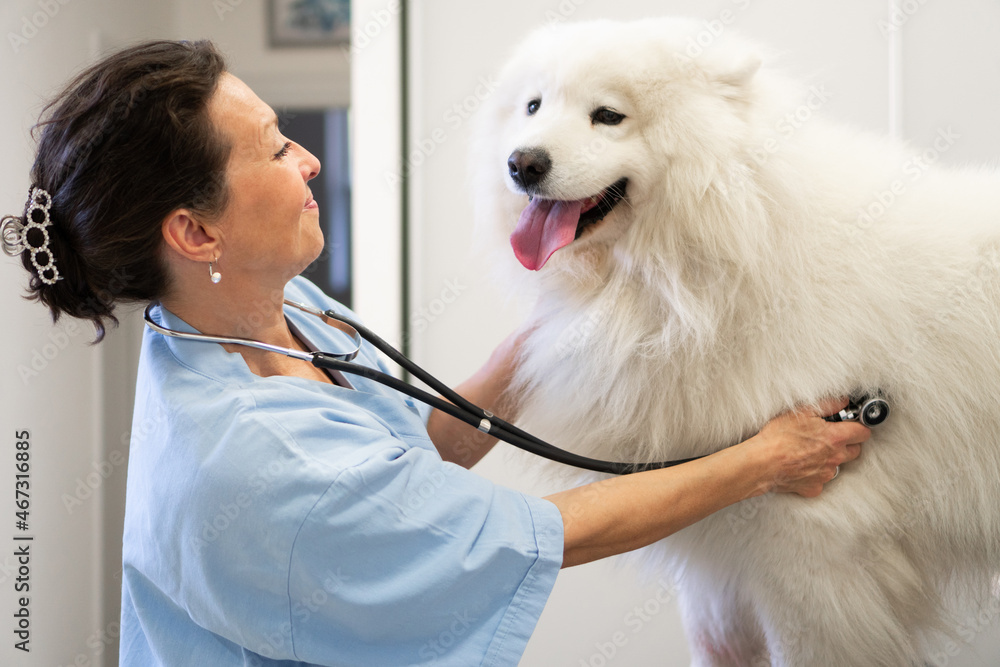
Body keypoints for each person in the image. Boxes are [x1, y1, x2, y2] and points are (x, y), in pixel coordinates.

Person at [1, 40, 869, 666]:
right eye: (272, 147)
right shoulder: (260, 466)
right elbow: (546, 536)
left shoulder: (254, 309)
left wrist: (554, 334)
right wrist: (766, 459)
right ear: (195, 231)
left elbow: (409, 445)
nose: (305, 157)